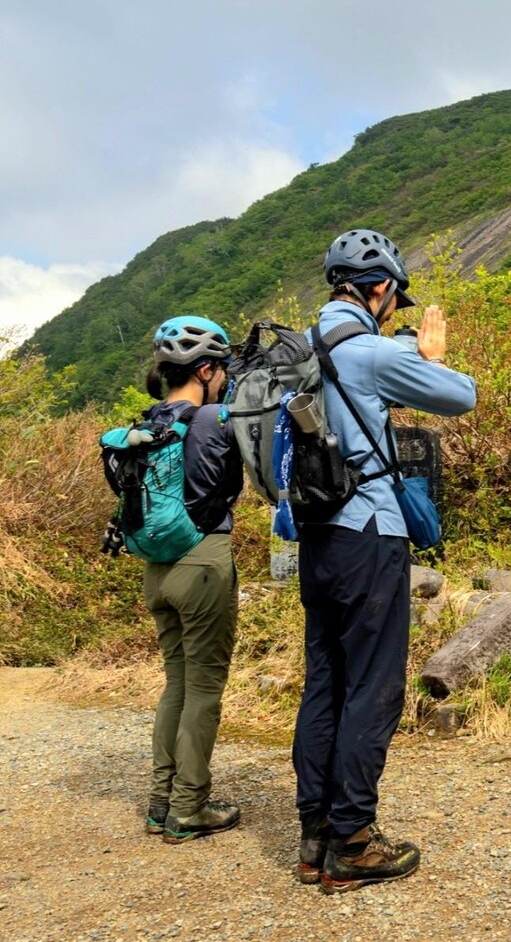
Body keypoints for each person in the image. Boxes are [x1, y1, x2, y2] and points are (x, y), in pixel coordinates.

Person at [293, 229, 476, 893]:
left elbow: (367, 375)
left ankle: (315, 837)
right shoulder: (369, 350)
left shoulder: (307, 348)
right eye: (395, 298)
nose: (395, 309)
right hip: (369, 534)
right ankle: (354, 840)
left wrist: (402, 352)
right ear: (379, 289)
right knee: (373, 685)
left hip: (317, 538)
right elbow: (462, 394)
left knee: (326, 683)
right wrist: (429, 356)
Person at [139, 316, 244, 843]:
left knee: (176, 685)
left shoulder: (153, 420)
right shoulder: (211, 419)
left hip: (157, 568)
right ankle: (190, 808)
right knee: (204, 689)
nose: (224, 378)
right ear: (204, 369)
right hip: (202, 562)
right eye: (221, 370)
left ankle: (162, 802)